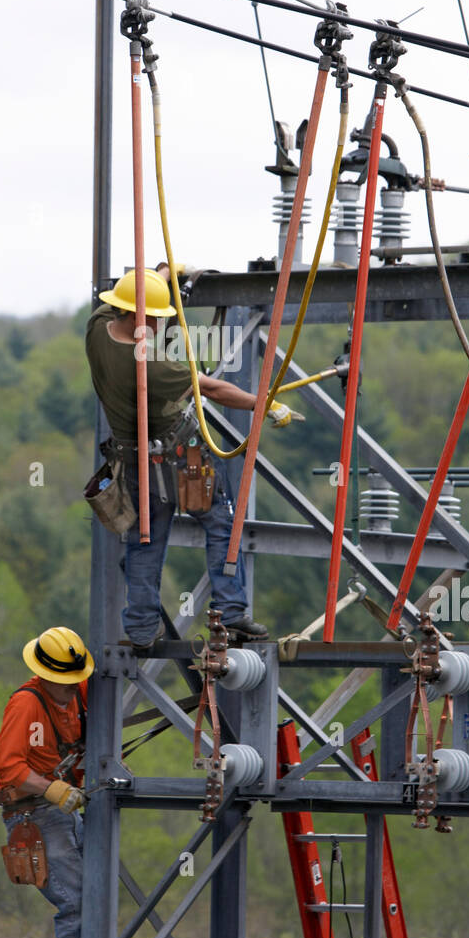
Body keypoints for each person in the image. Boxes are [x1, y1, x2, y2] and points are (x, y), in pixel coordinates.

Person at [85, 262, 299, 651]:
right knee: (220, 522)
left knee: (145, 541)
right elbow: (213, 390)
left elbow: (132, 293)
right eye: (153, 318)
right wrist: (265, 406)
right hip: (179, 456)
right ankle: (230, 613)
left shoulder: (97, 329)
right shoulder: (149, 365)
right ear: (136, 315)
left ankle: (141, 627)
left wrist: (164, 273)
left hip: (133, 461)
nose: (155, 326)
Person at [0, 627, 94, 938]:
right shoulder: (26, 703)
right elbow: (8, 766)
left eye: (75, 682)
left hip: (64, 811)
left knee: (95, 898)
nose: (72, 689)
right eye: (65, 684)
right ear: (46, 675)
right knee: (77, 902)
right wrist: (51, 788)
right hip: (32, 815)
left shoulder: (79, 691)